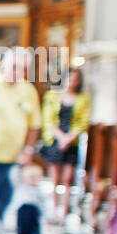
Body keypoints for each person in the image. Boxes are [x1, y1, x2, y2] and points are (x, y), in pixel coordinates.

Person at [0, 47, 41, 224]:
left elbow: (34, 124)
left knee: (5, 199)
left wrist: (28, 150)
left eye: (23, 68)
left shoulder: (28, 90)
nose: (17, 71)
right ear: (4, 64)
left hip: (14, 156)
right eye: (14, 66)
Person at [41, 66, 91, 223]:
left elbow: (83, 122)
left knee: (68, 178)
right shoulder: (52, 96)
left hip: (71, 140)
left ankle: (64, 212)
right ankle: (54, 210)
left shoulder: (83, 99)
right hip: (55, 139)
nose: (72, 82)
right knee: (55, 178)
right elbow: (48, 119)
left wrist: (69, 138)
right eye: (70, 78)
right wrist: (60, 137)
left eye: (76, 79)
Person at [13, 162, 47, 234]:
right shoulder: (21, 187)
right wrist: (20, 164)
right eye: (31, 177)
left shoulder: (39, 190)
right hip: (23, 212)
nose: (34, 179)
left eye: (37, 177)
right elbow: (14, 175)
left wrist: (46, 215)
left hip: (34, 213)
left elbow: (44, 203)